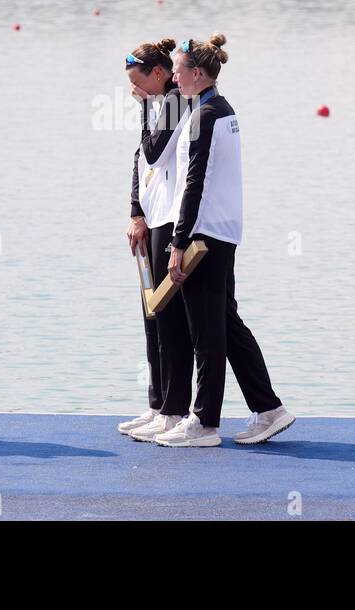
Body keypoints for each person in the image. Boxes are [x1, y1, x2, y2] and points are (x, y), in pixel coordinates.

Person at [154, 33, 295, 448]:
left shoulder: (204, 116)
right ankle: (269, 408)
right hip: (220, 230)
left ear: (197, 73)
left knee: (206, 332)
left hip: (206, 236)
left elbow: (196, 182)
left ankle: (204, 423)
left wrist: (178, 242)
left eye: (178, 72)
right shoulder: (216, 109)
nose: (174, 80)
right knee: (226, 326)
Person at [117, 40, 195, 442]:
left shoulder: (178, 103)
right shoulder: (156, 106)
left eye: (139, 84)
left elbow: (154, 150)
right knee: (151, 318)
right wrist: (135, 212)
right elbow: (139, 159)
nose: (136, 92)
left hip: (171, 219)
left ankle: (175, 408)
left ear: (160, 74)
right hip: (150, 221)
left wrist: (147, 108)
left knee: (170, 322)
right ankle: (157, 404)